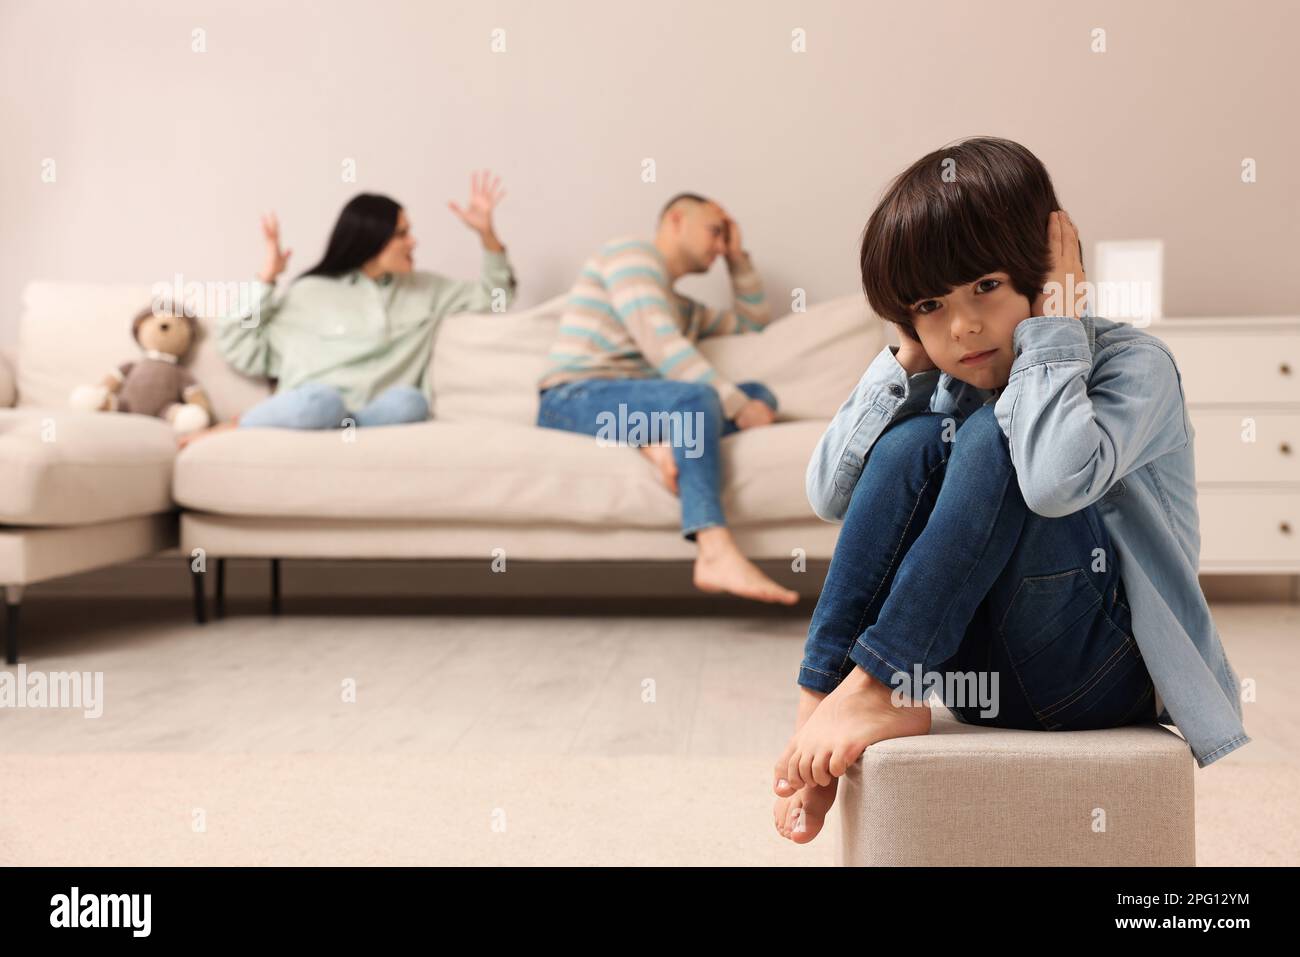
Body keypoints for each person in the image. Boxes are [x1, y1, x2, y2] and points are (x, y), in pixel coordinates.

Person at [772, 136, 1249, 844]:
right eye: (932, 305)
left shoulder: (1134, 367)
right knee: (909, 442)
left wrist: (1054, 327)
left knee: (997, 433)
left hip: (1101, 674)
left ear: (1041, 273)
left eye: (987, 287)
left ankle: (880, 683)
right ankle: (823, 694)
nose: (962, 325)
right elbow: (829, 493)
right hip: (981, 681)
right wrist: (908, 356)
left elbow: (1055, 483)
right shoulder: (944, 373)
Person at [535, 194, 797, 604]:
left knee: (758, 392)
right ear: (676, 220)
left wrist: (737, 259)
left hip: (636, 404)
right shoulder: (630, 256)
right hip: (572, 397)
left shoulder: (680, 307)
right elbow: (663, 348)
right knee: (700, 399)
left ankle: (654, 442)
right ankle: (713, 548)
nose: (719, 243)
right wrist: (738, 408)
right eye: (716, 231)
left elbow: (752, 324)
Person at [182, 171, 516, 446]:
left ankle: (346, 429)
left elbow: (497, 297)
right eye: (402, 234)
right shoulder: (310, 293)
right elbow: (237, 346)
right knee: (322, 403)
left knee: (410, 401)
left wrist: (487, 235)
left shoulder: (425, 289)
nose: (413, 241)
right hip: (313, 410)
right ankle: (238, 427)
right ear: (371, 240)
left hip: (375, 418)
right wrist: (267, 278)